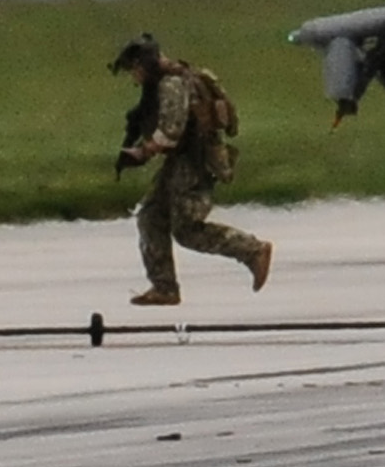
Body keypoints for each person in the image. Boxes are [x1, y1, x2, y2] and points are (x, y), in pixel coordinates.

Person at [113, 33, 269, 305]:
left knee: (187, 230)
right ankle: (164, 287)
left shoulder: (171, 84)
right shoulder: (169, 81)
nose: (133, 77)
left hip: (194, 161)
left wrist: (143, 151)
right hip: (182, 160)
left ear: (144, 64)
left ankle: (251, 250)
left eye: (134, 70)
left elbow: (171, 131)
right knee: (150, 216)